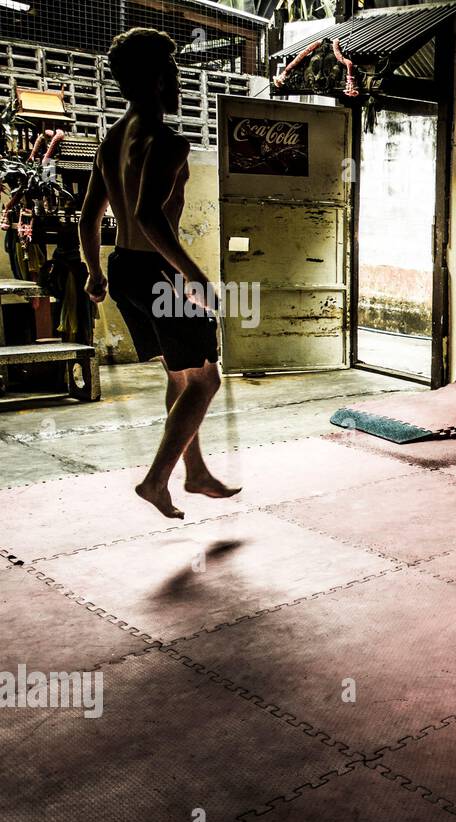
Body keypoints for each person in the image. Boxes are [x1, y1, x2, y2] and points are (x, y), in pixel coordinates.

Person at [79, 28, 238, 519]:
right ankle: (155, 480)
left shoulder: (111, 139)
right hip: (157, 272)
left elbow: (88, 216)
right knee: (206, 382)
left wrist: (93, 272)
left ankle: (195, 472)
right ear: (153, 81)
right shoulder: (166, 141)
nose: (178, 82)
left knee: (181, 372)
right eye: (171, 74)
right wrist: (194, 277)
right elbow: (149, 217)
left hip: (123, 267)